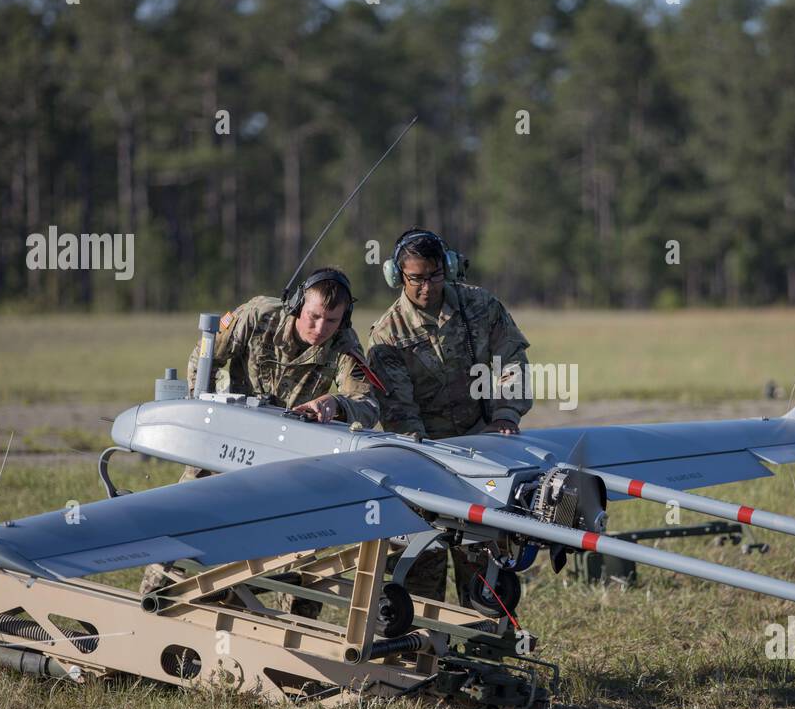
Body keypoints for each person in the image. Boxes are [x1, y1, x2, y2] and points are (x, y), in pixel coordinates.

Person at [139, 268, 384, 617]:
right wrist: (206, 408)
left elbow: (368, 403)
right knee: (182, 519)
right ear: (298, 305)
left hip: (288, 460)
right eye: (313, 317)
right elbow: (205, 355)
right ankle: (151, 606)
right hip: (226, 442)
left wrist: (337, 404)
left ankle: (295, 631)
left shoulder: (345, 344)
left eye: (331, 320)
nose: (320, 329)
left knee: (304, 545)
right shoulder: (258, 316)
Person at [366, 228, 532, 604]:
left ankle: (488, 646)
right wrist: (428, 467)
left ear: (450, 268)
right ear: (397, 276)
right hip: (424, 461)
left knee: (488, 567)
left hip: (483, 451)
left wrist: (505, 413)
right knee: (422, 569)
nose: (427, 287)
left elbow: (512, 360)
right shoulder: (387, 336)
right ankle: (424, 651)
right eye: (417, 279)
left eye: (435, 275)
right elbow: (400, 415)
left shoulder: (481, 306)